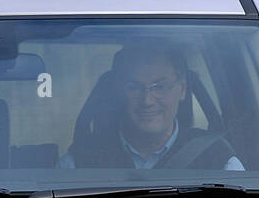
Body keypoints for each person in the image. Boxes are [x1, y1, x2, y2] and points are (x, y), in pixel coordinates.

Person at [59, 43, 243, 171]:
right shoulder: (79, 163)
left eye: (160, 87)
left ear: (182, 89)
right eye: (133, 87)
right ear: (119, 92)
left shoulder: (220, 162)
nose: (147, 100)